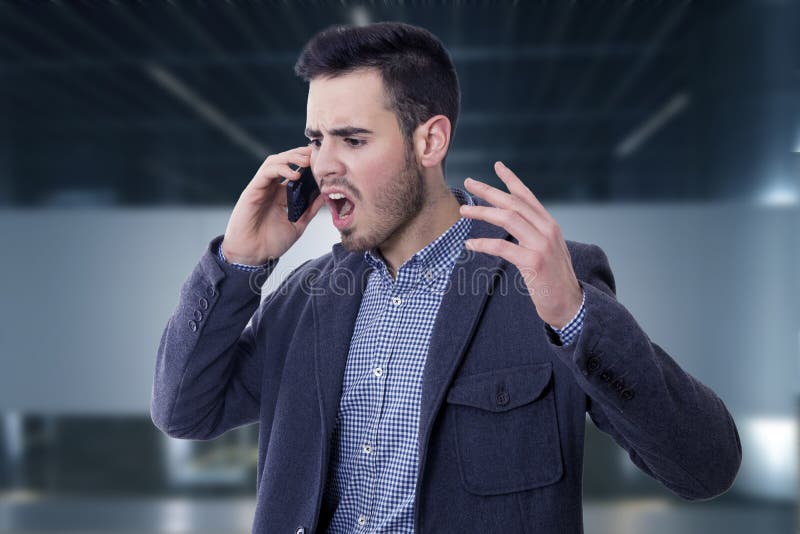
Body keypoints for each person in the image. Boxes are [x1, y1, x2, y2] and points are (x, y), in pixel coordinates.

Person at [150, 21, 741, 534]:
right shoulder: (306, 297)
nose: (324, 163)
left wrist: (575, 316)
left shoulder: (541, 281)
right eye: (315, 139)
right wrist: (239, 261)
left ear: (429, 140)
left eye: (353, 139)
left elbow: (704, 466)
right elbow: (184, 410)